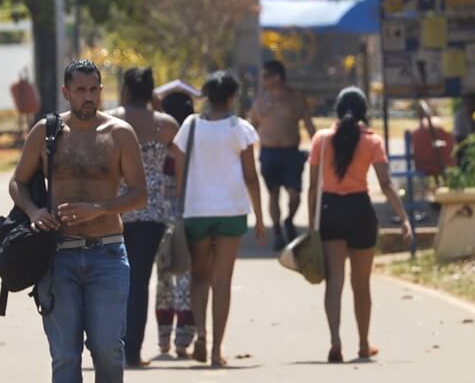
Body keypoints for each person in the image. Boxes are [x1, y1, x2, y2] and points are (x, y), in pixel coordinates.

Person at [9, 59, 147, 383]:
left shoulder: (119, 133)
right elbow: (17, 183)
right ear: (66, 92)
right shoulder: (46, 132)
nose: (88, 96)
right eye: (80, 90)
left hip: (108, 254)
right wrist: (34, 212)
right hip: (58, 256)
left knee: (108, 348)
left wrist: (99, 209)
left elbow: (140, 194)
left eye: (93, 90)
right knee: (65, 355)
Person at [309, 87, 413, 364]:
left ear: (337, 109)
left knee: (334, 281)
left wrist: (312, 224)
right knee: (361, 284)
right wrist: (404, 218)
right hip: (360, 211)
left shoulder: (321, 140)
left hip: (330, 210)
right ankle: (364, 344)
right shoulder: (372, 141)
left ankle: (335, 341)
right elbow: (386, 184)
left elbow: (313, 187)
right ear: (364, 111)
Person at [171, 70, 266, 367]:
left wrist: (182, 200)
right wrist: (260, 217)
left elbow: (178, 168)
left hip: (196, 210)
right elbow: (251, 177)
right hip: (231, 211)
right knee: (222, 281)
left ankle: (201, 334)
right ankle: (216, 351)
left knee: (199, 276)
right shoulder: (240, 128)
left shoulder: (190, 125)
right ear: (232, 96)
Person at [109, 67, 179, 368]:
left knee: (110, 279)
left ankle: (106, 344)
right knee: (139, 281)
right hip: (152, 211)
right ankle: (132, 352)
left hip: (114, 208)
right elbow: (181, 161)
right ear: (152, 91)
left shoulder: (110, 120)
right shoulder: (165, 125)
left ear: (125, 89)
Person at [152, 81, 200, 357]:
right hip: (188, 213)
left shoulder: (160, 142)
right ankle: (184, 339)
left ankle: (163, 340)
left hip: (160, 215)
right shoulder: (192, 144)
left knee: (164, 278)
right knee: (186, 277)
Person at [250, 60, 315, 250]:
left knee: (295, 194)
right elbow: (251, 127)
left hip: (291, 153)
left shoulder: (295, 98)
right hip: (269, 153)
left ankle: (289, 220)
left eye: (265, 76)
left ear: (277, 77)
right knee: (273, 193)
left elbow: (308, 124)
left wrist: (318, 145)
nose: (262, 80)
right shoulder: (260, 101)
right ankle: (278, 231)